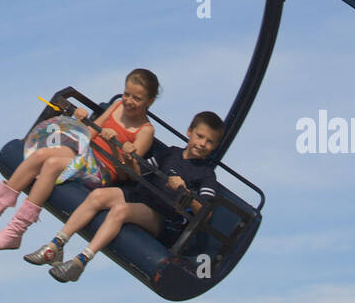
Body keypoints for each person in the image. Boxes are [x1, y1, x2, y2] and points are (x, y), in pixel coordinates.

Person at [0, 70, 158, 251]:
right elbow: (90, 132)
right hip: (85, 154)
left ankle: (16, 230)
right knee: (40, 155)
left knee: (53, 164)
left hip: (102, 171)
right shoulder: (116, 106)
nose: (129, 101)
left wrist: (115, 144)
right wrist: (82, 120)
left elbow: (127, 172)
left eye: (137, 98)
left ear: (150, 101)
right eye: (127, 94)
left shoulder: (146, 130)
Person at [29, 111, 225, 283]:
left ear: (215, 146)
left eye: (209, 142)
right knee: (98, 196)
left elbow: (205, 212)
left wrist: (186, 193)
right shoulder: (170, 153)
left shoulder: (206, 175)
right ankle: (56, 245)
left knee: (121, 211)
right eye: (200, 136)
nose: (202, 144)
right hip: (141, 194)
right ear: (190, 132)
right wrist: (130, 157)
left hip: (163, 215)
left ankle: (80, 262)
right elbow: (139, 173)